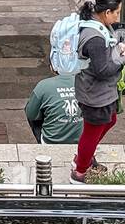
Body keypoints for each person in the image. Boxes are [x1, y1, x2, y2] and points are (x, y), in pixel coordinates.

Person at [70, 0, 125, 181]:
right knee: (92, 131)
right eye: (117, 12)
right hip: (95, 95)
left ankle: (84, 157)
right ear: (107, 13)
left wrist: (116, 48)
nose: (117, 17)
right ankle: (79, 171)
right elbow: (102, 70)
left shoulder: (98, 25)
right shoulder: (94, 36)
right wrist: (122, 59)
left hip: (100, 93)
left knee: (110, 120)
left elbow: (103, 54)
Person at [25, 14, 84, 145]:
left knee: (34, 114)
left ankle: (43, 143)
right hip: (84, 142)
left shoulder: (44, 86)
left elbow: (31, 113)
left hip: (51, 141)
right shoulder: (89, 84)